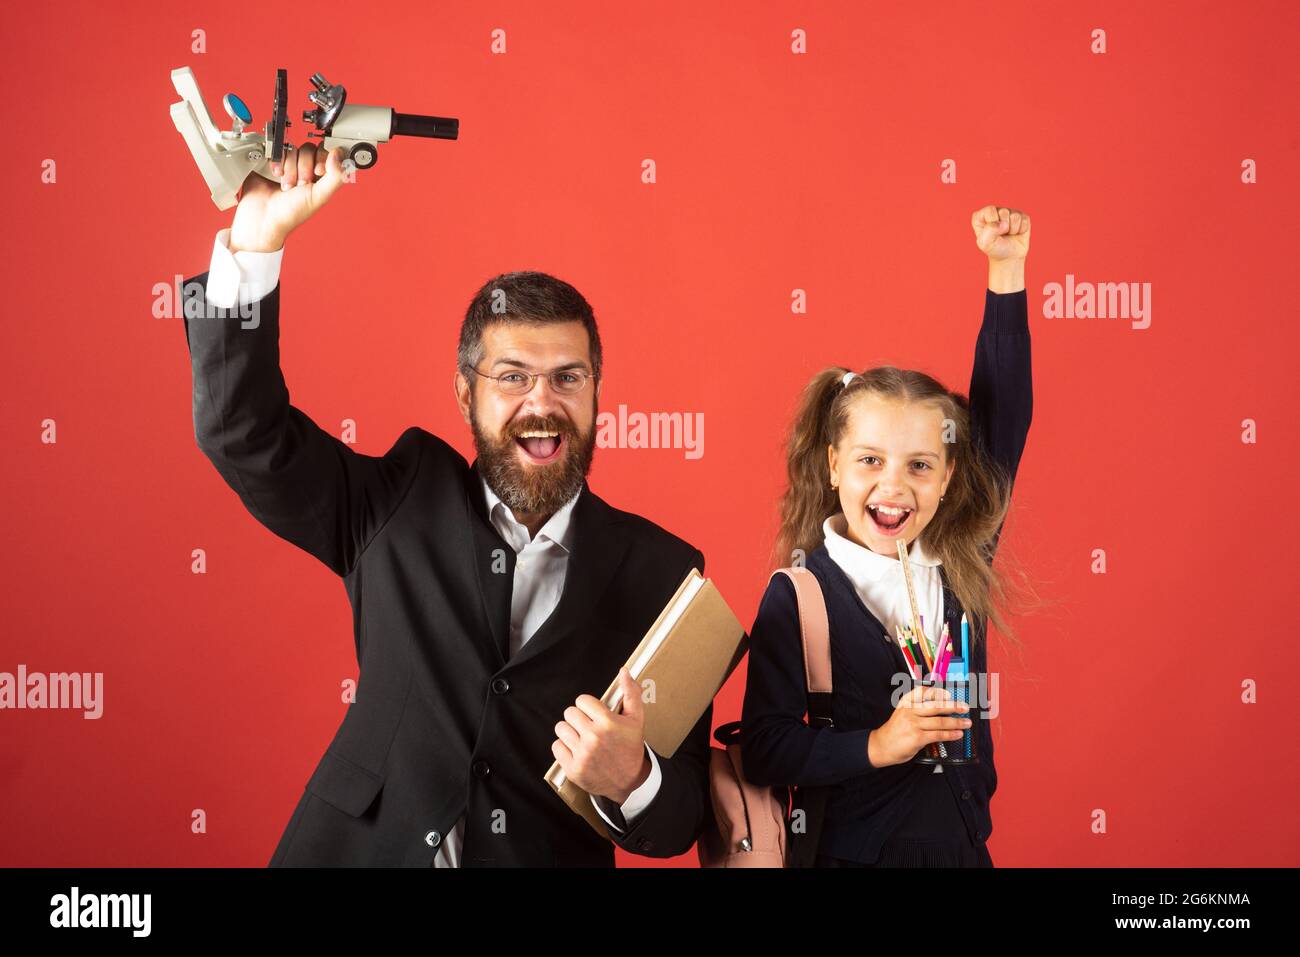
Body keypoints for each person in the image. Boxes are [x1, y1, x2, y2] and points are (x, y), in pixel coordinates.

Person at [178, 143, 712, 866]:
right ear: (466, 394)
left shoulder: (665, 573)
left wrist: (635, 778)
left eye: (567, 378)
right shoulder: (401, 496)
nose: (542, 405)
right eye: (513, 377)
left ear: (596, 394)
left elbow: (682, 816)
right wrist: (256, 241)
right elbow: (241, 432)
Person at [739, 205, 1034, 867]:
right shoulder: (802, 595)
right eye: (870, 460)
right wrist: (878, 743)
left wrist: (1006, 272)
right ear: (834, 463)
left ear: (951, 473)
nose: (893, 487)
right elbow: (765, 745)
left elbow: (1004, 413)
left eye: (919, 465)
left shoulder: (960, 559)